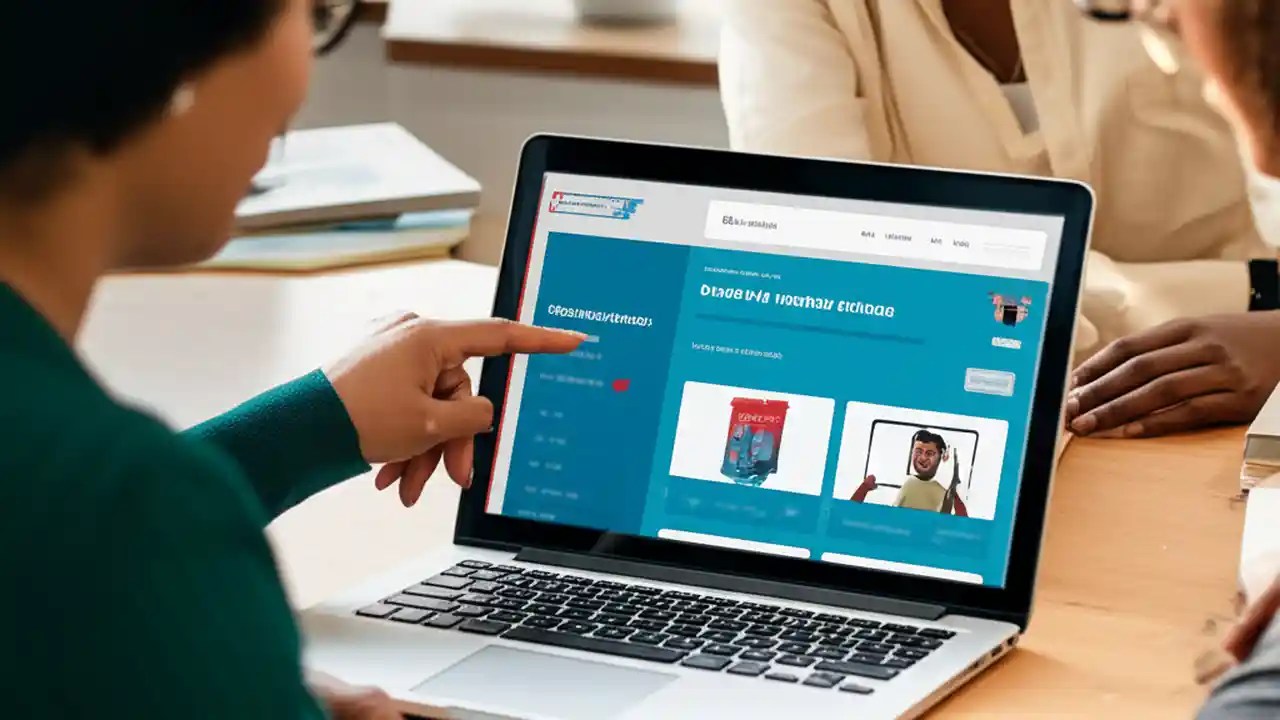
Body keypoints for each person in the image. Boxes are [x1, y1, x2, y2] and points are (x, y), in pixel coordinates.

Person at [0, 1, 584, 717]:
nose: (304, 76)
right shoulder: (129, 518)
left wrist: (313, 424)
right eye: (307, 12)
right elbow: (108, 533)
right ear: (165, 49)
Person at [721, 0, 1280, 437]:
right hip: (964, 414)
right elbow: (833, 284)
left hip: (1246, 419)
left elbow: (891, 306)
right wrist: (1247, 296)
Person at [851, 430, 969, 516]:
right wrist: (864, 487)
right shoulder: (908, 482)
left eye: (929, 453)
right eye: (918, 451)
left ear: (942, 456)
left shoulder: (943, 491)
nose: (922, 458)